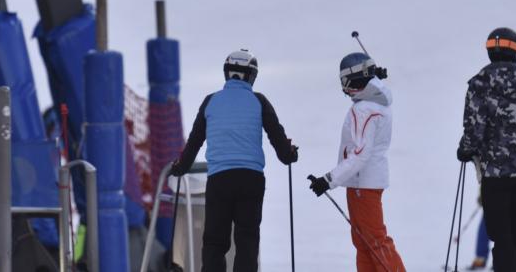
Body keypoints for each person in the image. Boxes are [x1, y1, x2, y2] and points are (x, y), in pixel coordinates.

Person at [169, 49, 298, 272]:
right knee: (247, 240)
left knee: (214, 242)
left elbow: (194, 143)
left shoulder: (210, 101)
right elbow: (281, 148)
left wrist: (180, 168)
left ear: (227, 73)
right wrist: (290, 154)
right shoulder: (259, 101)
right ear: (251, 76)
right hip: (251, 180)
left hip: (219, 180)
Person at [457, 28, 516, 272]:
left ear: (490, 51)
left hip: (494, 177)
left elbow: (474, 130)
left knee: (502, 238)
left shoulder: (479, 84)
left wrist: (466, 150)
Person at [307, 53, 406, 271]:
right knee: (363, 242)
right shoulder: (375, 102)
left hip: (364, 182)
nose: (344, 88)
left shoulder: (364, 109)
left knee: (375, 240)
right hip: (362, 182)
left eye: (345, 80)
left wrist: (328, 180)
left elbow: (360, 154)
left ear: (355, 78)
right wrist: (374, 77)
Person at [469, 158, 516, 270]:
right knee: (487, 228)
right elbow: (487, 176)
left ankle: (507, 262)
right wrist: (482, 196)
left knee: (510, 232)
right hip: (495, 198)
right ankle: (482, 258)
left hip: (514, 200)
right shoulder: (496, 153)